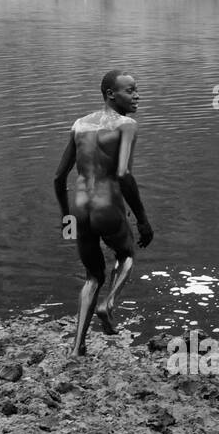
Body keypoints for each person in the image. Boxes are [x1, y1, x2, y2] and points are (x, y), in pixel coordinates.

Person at [53, 70, 154, 355]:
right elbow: (123, 174)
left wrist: (66, 219)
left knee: (92, 275)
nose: (137, 96)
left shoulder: (79, 125)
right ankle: (108, 304)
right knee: (127, 255)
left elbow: (59, 179)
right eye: (130, 91)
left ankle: (76, 348)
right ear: (111, 94)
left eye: (136, 90)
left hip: (79, 207)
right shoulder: (126, 124)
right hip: (106, 205)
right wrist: (143, 219)